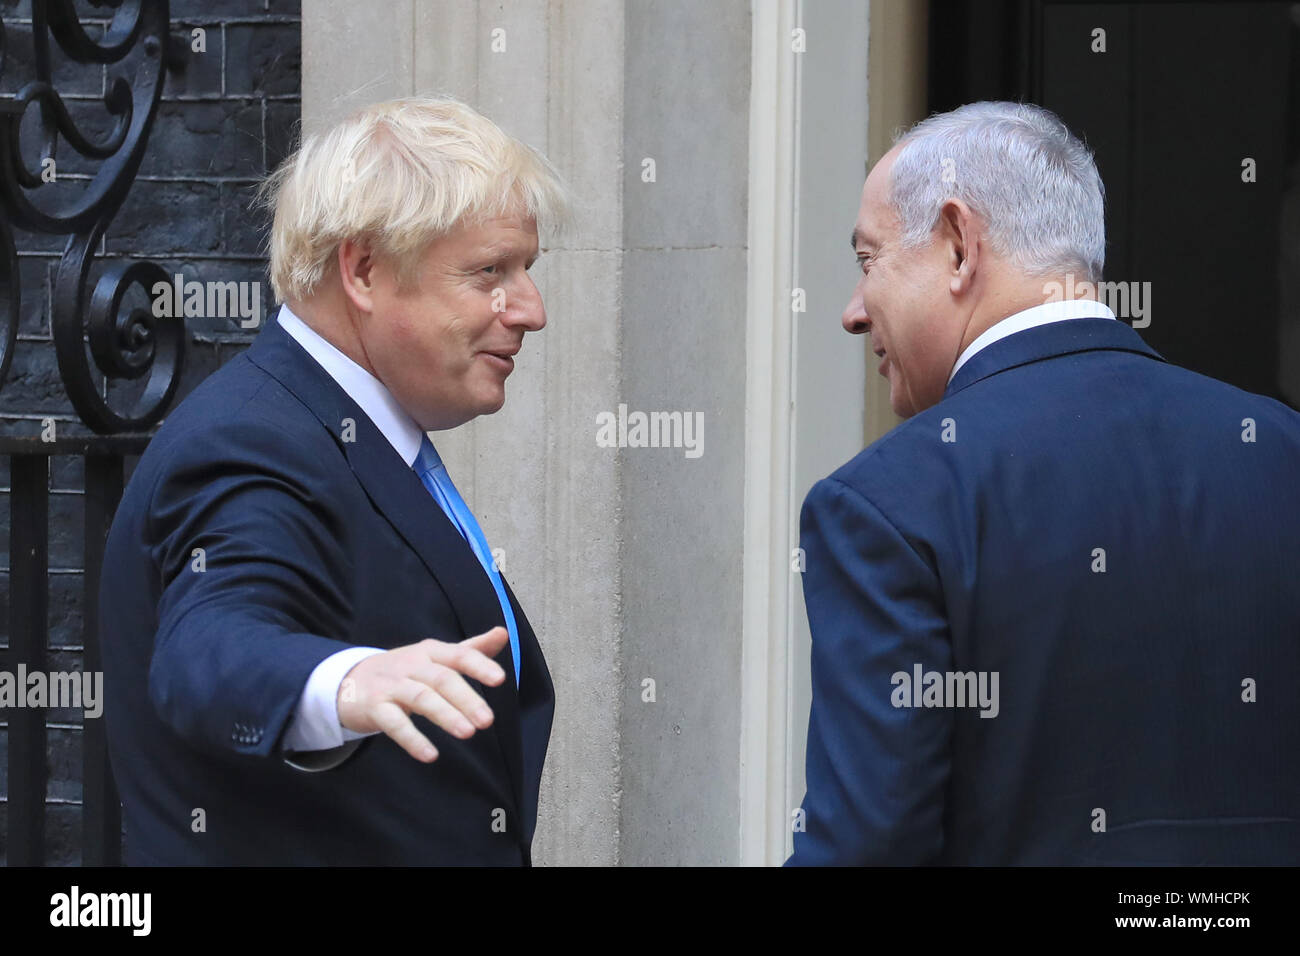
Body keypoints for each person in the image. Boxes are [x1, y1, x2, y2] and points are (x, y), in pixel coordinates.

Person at [788, 101, 1300, 865]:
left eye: (869, 262)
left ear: (960, 244)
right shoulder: (1281, 448)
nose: (854, 313)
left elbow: (868, 847)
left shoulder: (888, 504)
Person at [100, 96, 569, 865]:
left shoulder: (349, 430)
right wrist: (341, 682)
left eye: (525, 271)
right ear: (364, 270)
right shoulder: (252, 440)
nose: (530, 309)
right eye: (490, 271)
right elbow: (208, 647)